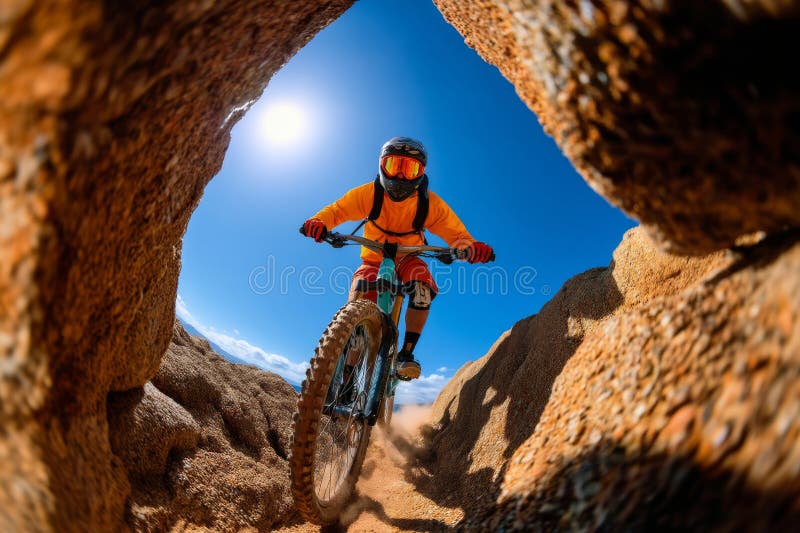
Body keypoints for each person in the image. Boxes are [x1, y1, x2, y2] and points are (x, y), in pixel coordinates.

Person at [302, 137, 493, 380]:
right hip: (372, 259)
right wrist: (320, 222)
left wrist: (472, 248)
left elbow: (456, 234)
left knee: (422, 289)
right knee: (358, 301)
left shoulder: (429, 204)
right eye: (395, 166)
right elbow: (338, 210)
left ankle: (406, 354)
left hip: (409, 258)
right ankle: (348, 374)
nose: (401, 177)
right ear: (382, 165)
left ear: (421, 173)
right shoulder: (369, 194)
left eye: (410, 168)